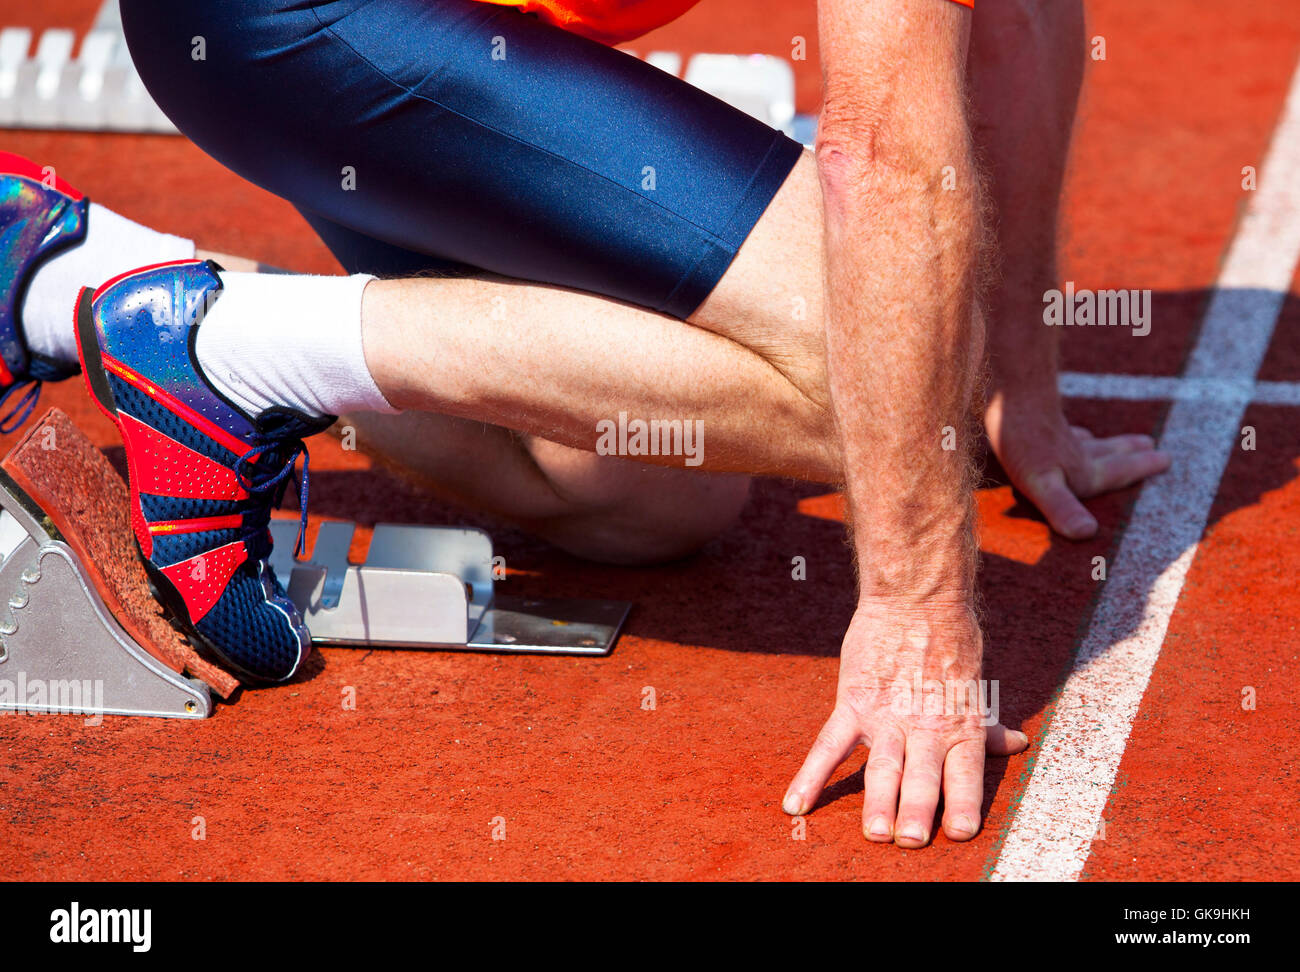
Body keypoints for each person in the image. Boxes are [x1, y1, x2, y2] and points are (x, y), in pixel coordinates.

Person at [0, 0, 1168, 848]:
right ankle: (218, 356)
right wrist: (916, 609)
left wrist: (1023, 378)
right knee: (891, 373)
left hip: (359, 30)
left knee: (650, 493)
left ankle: (98, 281)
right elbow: (888, 166)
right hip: (290, 23)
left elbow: (1016, 13)